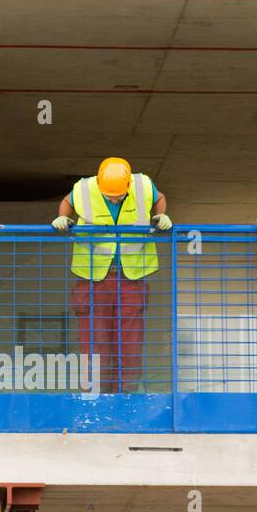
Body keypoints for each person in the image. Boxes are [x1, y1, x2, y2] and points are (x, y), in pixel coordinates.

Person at [51, 158, 171, 393]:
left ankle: (125, 398)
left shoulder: (143, 184)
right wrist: (63, 216)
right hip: (93, 277)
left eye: (118, 195)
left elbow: (160, 198)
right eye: (109, 196)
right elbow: (67, 202)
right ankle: (96, 399)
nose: (114, 199)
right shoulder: (84, 188)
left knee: (130, 345)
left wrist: (161, 215)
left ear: (127, 184)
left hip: (131, 276)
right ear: (99, 184)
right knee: (96, 346)